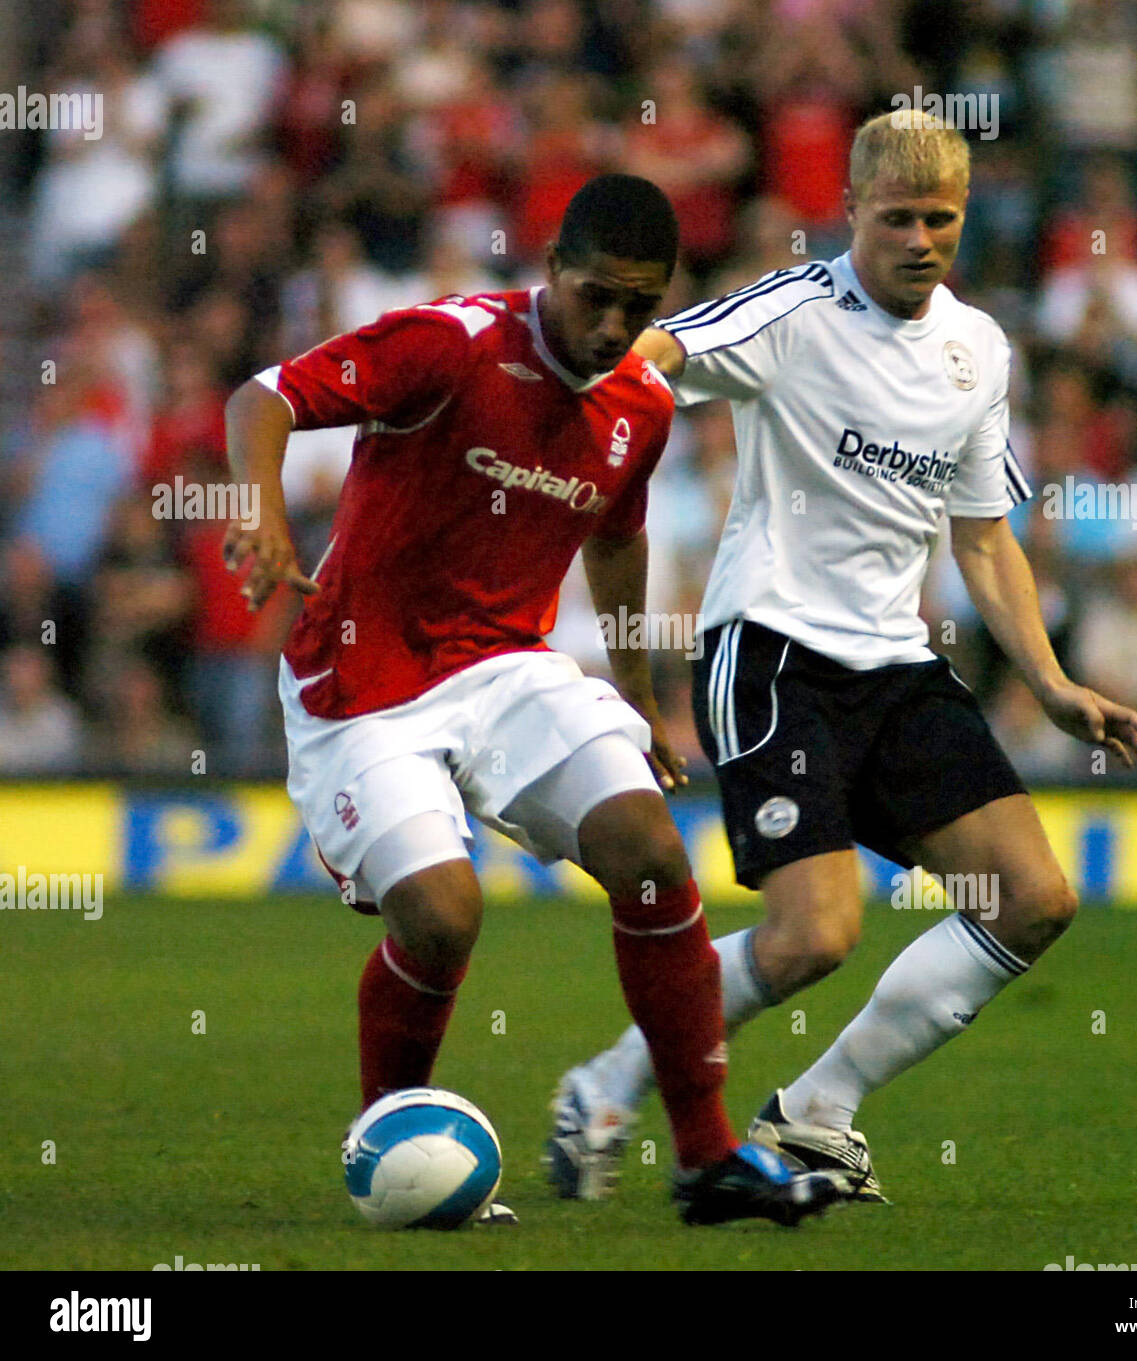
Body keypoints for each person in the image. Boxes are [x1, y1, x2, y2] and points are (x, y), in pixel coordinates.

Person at [550, 115, 1137, 1203]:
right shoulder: (791, 312)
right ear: (851, 212)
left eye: (941, 218)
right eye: (897, 218)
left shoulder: (978, 349)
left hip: (896, 667)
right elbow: (650, 357)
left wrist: (1053, 681)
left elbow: (981, 532)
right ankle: (602, 1084)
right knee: (814, 935)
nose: (920, 239)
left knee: (1030, 897)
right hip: (771, 654)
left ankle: (818, 1110)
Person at [221, 174, 837, 1228]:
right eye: (594, 295)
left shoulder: (640, 404)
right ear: (549, 267)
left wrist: (637, 693)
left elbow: (614, 531)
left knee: (649, 850)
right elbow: (262, 398)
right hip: (361, 683)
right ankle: (390, 1134)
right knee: (444, 914)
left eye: (639, 307)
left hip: (508, 665)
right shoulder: (450, 342)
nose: (612, 326)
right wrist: (259, 511)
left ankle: (706, 1156)